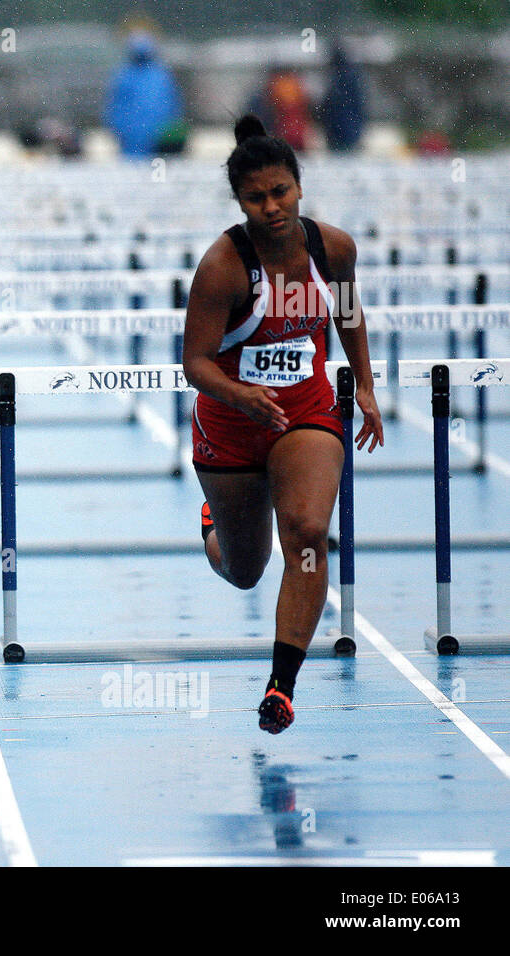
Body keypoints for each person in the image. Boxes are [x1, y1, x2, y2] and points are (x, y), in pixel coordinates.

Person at [182, 115, 384, 735]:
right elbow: (194, 364)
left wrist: (367, 386)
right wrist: (242, 395)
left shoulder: (334, 248)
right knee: (245, 570)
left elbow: (348, 313)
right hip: (232, 419)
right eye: (255, 198)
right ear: (239, 202)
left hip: (305, 411)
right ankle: (214, 525)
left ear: (299, 187)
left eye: (281, 193)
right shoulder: (223, 266)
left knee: (306, 531)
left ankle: (281, 686)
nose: (271, 208)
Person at [103, 32, 184, 159]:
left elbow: (114, 107)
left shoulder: (126, 75)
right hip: (144, 136)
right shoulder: (160, 74)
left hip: (146, 136)